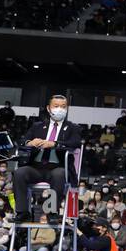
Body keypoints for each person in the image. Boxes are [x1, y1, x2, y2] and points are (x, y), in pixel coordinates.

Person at [12, 95, 82, 223]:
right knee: (19, 173)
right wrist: (30, 142)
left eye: (63, 106)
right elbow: (22, 141)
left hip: (57, 167)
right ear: (49, 108)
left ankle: (51, 213)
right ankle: (23, 212)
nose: (60, 109)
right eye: (56, 106)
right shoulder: (37, 126)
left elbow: (76, 143)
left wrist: (54, 144)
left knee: (59, 174)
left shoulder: (73, 127)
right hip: (36, 167)